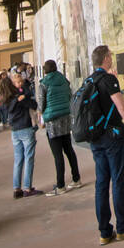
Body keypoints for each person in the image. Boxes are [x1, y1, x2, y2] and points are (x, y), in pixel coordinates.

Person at [87, 43, 124, 245]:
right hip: (112, 137)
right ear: (106, 59)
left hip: (95, 138)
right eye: (110, 55)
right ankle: (123, 227)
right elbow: (122, 106)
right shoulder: (108, 79)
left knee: (101, 183)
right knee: (117, 180)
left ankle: (104, 232)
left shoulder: (88, 81)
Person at [38, 59, 82, 196]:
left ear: (44, 70)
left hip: (52, 120)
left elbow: (41, 104)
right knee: (69, 149)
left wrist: (41, 117)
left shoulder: (43, 84)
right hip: (65, 117)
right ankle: (76, 178)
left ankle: (61, 185)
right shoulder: (64, 80)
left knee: (57, 154)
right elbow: (70, 96)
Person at [0, 71, 42, 197]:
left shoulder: (6, 98)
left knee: (18, 160)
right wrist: (25, 96)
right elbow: (33, 105)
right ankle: (27, 188)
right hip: (25, 128)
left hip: (15, 131)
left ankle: (16, 188)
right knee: (28, 158)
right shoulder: (19, 97)